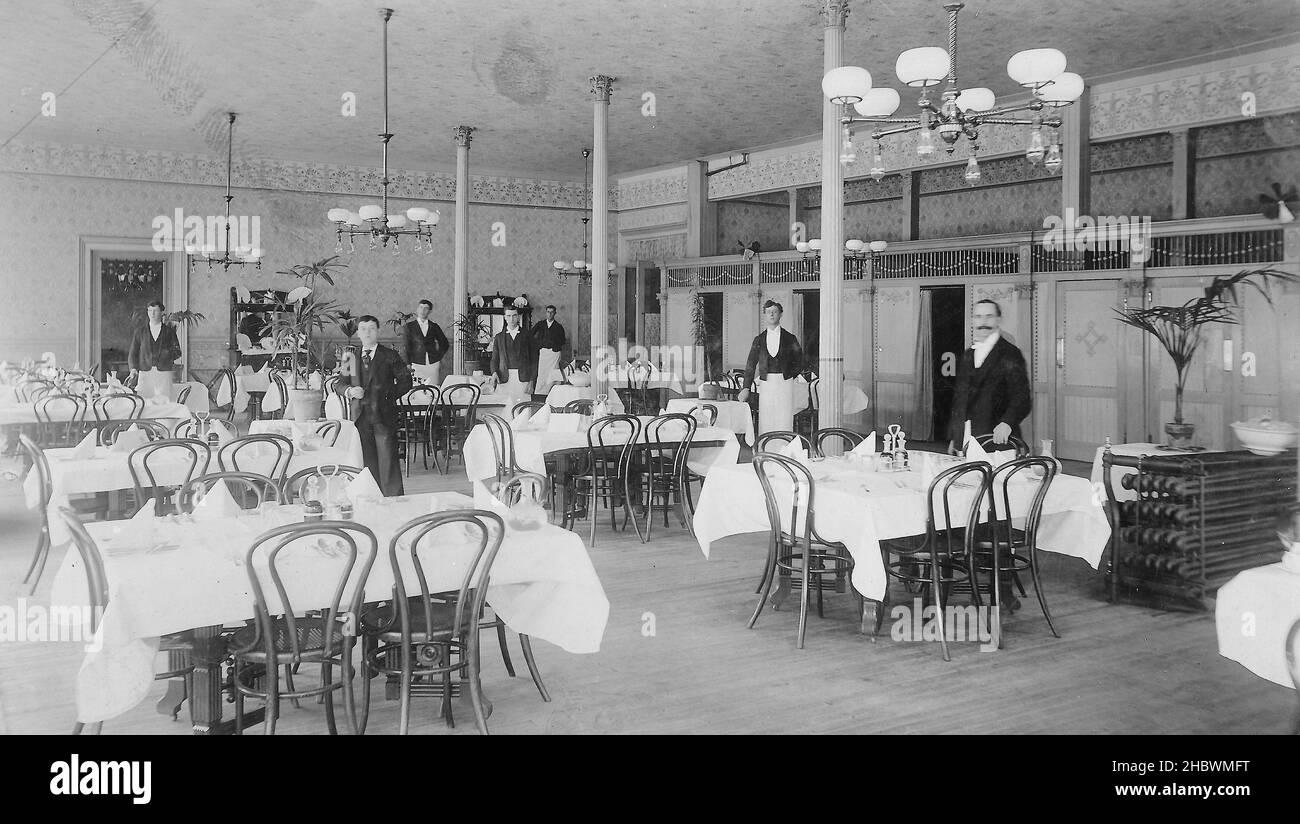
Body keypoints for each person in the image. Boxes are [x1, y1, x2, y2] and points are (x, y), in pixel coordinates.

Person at [338, 315, 412, 497]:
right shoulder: (351, 358)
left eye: (371, 328)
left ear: (377, 331)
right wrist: (349, 390)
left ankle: (393, 501)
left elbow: (406, 381)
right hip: (360, 417)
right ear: (358, 332)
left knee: (388, 461)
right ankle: (370, 497)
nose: (367, 332)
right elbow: (340, 383)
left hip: (384, 416)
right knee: (366, 461)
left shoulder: (389, 356)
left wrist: (387, 395)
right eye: (363, 329)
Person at [947, 298, 1032, 455]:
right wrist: (955, 437)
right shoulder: (968, 355)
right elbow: (960, 400)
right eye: (978, 317)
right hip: (966, 441)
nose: (983, 322)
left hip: (998, 442)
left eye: (989, 316)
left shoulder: (1011, 354)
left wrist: (1007, 423)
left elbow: (1022, 398)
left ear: (998, 319)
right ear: (973, 320)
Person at [738, 300, 804, 435]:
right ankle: (766, 450)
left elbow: (801, 361)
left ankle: (784, 450)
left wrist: (789, 375)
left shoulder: (790, 338)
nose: (772, 315)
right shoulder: (759, 339)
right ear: (765, 315)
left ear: (780, 315)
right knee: (767, 417)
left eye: (775, 312)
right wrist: (746, 388)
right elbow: (751, 364)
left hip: (785, 383)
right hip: (766, 383)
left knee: (784, 417)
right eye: (768, 312)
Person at [128, 300, 182, 394]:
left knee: (164, 402)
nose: (152, 314)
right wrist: (133, 368)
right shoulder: (140, 331)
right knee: (144, 403)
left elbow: (177, 352)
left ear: (162, 313)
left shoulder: (169, 332)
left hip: (164, 373)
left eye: (155, 311)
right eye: (150, 311)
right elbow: (133, 352)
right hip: (145, 372)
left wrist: (166, 354)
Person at [489, 306, 534, 404]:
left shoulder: (527, 335)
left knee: (522, 408)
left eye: (514, 316)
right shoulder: (499, 337)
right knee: (505, 408)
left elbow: (534, 360)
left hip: (523, 378)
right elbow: (494, 359)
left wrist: (532, 381)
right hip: (504, 377)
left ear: (518, 317)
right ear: (505, 317)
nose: (511, 319)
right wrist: (494, 373)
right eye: (508, 316)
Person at [402, 298, 449, 385]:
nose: (423, 310)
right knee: (416, 390)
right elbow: (406, 346)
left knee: (433, 388)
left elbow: (445, 343)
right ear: (417, 309)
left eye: (426, 308)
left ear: (430, 311)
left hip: (432, 363)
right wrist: (408, 363)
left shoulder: (434, 326)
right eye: (421, 307)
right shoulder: (409, 327)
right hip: (416, 364)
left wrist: (438, 356)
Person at [530, 304, 566, 394]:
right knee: (542, 374)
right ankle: (540, 394)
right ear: (546, 313)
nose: (550, 314)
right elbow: (530, 335)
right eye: (548, 312)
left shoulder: (558, 326)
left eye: (552, 312)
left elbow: (563, 341)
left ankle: (554, 394)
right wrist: (539, 343)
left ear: (555, 313)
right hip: (544, 353)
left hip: (554, 354)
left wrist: (554, 343)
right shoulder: (540, 324)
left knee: (554, 374)